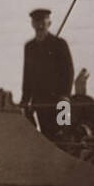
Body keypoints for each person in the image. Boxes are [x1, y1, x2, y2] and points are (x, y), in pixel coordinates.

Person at [22, 8, 74, 139]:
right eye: (37, 22)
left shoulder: (59, 44)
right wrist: (25, 100)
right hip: (40, 101)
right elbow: (27, 75)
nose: (40, 26)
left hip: (61, 100)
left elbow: (69, 71)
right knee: (46, 135)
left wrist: (65, 95)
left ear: (49, 24)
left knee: (64, 133)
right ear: (32, 24)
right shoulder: (30, 47)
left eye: (43, 22)